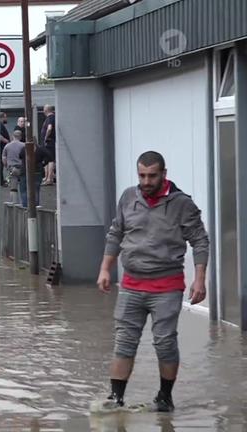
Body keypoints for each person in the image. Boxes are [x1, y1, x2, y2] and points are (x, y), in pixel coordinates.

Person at [97, 151, 209, 413]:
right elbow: (115, 233)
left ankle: (165, 397)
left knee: (165, 341)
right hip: (131, 285)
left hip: (166, 286)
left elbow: (200, 240)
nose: (146, 181)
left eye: (152, 176)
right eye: (142, 175)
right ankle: (116, 399)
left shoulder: (182, 204)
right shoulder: (128, 197)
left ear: (164, 174)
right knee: (124, 340)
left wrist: (200, 280)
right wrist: (105, 269)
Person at [17, 143, 50, 207]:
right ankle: (35, 206)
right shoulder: (40, 149)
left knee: (24, 189)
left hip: (25, 171)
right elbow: (49, 156)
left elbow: (20, 156)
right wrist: (43, 162)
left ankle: (25, 205)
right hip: (37, 171)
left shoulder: (24, 149)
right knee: (36, 189)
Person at [41, 105, 56, 185]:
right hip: (48, 142)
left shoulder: (50, 118)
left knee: (50, 159)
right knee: (47, 159)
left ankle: (49, 179)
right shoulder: (50, 118)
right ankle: (47, 177)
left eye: (44, 109)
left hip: (49, 141)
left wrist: (46, 138)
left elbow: (49, 128)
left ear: (46, 110)